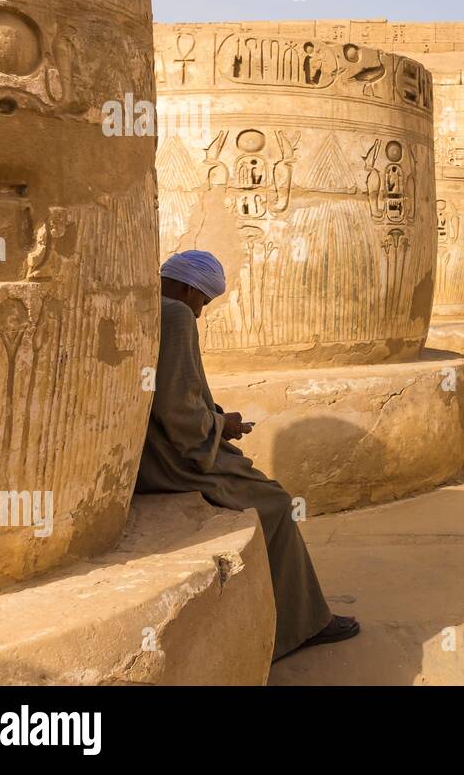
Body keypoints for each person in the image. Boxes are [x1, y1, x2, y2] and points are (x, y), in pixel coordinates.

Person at [138, 250, 359, 658]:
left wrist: (220, 422)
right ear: (188, 288)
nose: (200, 314)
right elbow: (180, 413)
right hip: (169, 460)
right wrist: (219, 427)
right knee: (276, 502)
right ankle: (301, 626)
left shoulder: (147, 303)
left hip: (154, 450)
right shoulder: (175, 315)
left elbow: (175, 398)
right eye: (202, 302)